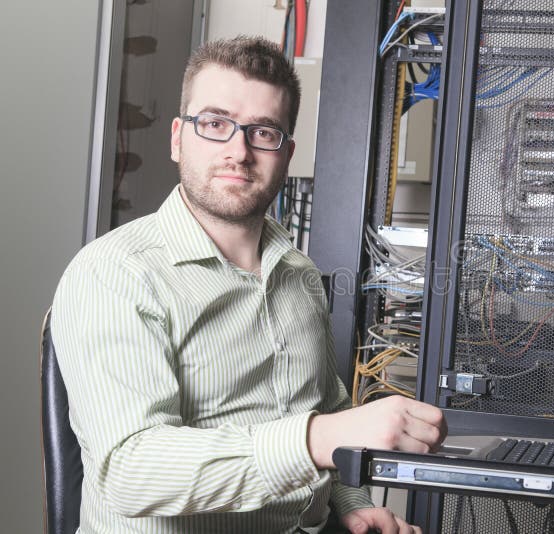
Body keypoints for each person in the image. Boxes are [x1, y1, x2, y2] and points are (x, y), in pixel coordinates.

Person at [51, 36, 446, 534]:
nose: (238, 151)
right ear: (177, 138)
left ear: (286, 153)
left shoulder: (298, 272)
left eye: (263, 132)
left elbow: (328, 406)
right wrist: (315, 439)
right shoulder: (115, 274)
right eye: (214, 124)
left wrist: (352, 503)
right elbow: (132, 471)